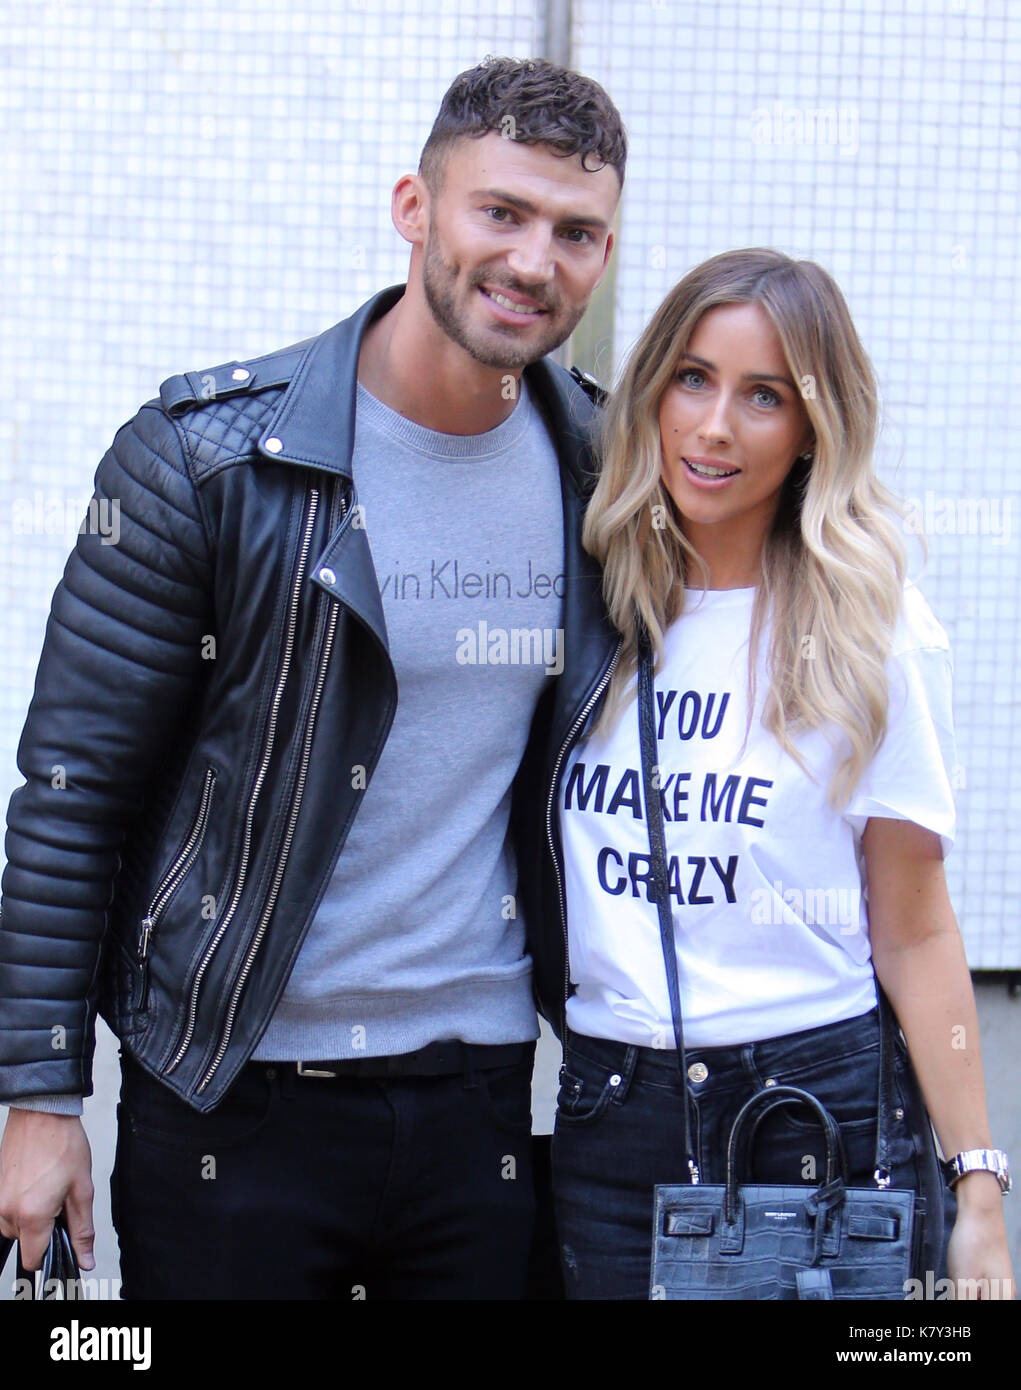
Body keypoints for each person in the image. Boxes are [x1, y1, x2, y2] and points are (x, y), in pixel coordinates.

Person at [0, 56, 625, 1300]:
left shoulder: (604, 471)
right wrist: (39, 1091)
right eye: (498, 212)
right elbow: (72, 791)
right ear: (414, 208)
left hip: (480, 1099)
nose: (532, 261)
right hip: (235, 1101)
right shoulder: (207, 462)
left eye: (576, 231)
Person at [540, 247, 1015, 1300]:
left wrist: (977, 1187)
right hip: (614, 1111)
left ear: (812, 430)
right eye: (693, 379)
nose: (714, 426)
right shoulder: (588, 605)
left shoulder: (863, 627)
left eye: (765, 396)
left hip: (816, 1107)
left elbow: (916, 925)